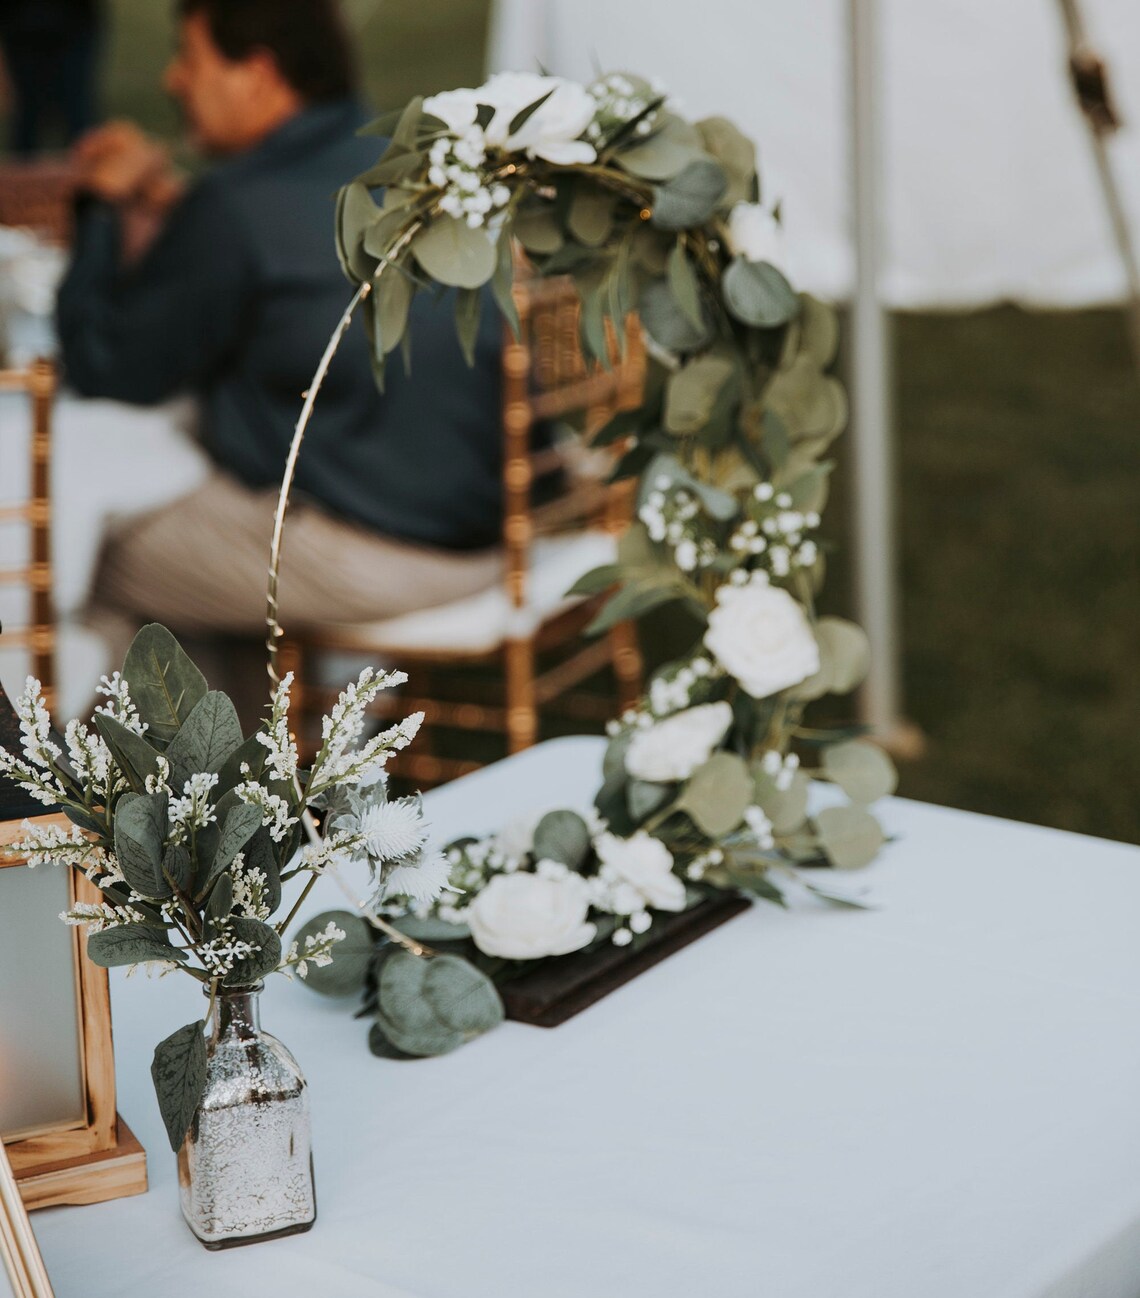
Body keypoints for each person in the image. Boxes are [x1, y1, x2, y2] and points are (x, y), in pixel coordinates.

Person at [56, 0, 505, 716]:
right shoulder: (410, 165)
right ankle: (233, 789)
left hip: (385, 554)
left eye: (191, 59)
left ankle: (113, 799)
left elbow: (110, 367)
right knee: (178, 553)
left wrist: (99, 209)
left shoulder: (240, 204)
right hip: (488, 530)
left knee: (77, 555)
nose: (173, 81)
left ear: (258, 73)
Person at [0, 0, 103, 155]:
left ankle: (89, 171)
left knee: (77, 110)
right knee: (27, 114)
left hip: (73, 21)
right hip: (21, 24)